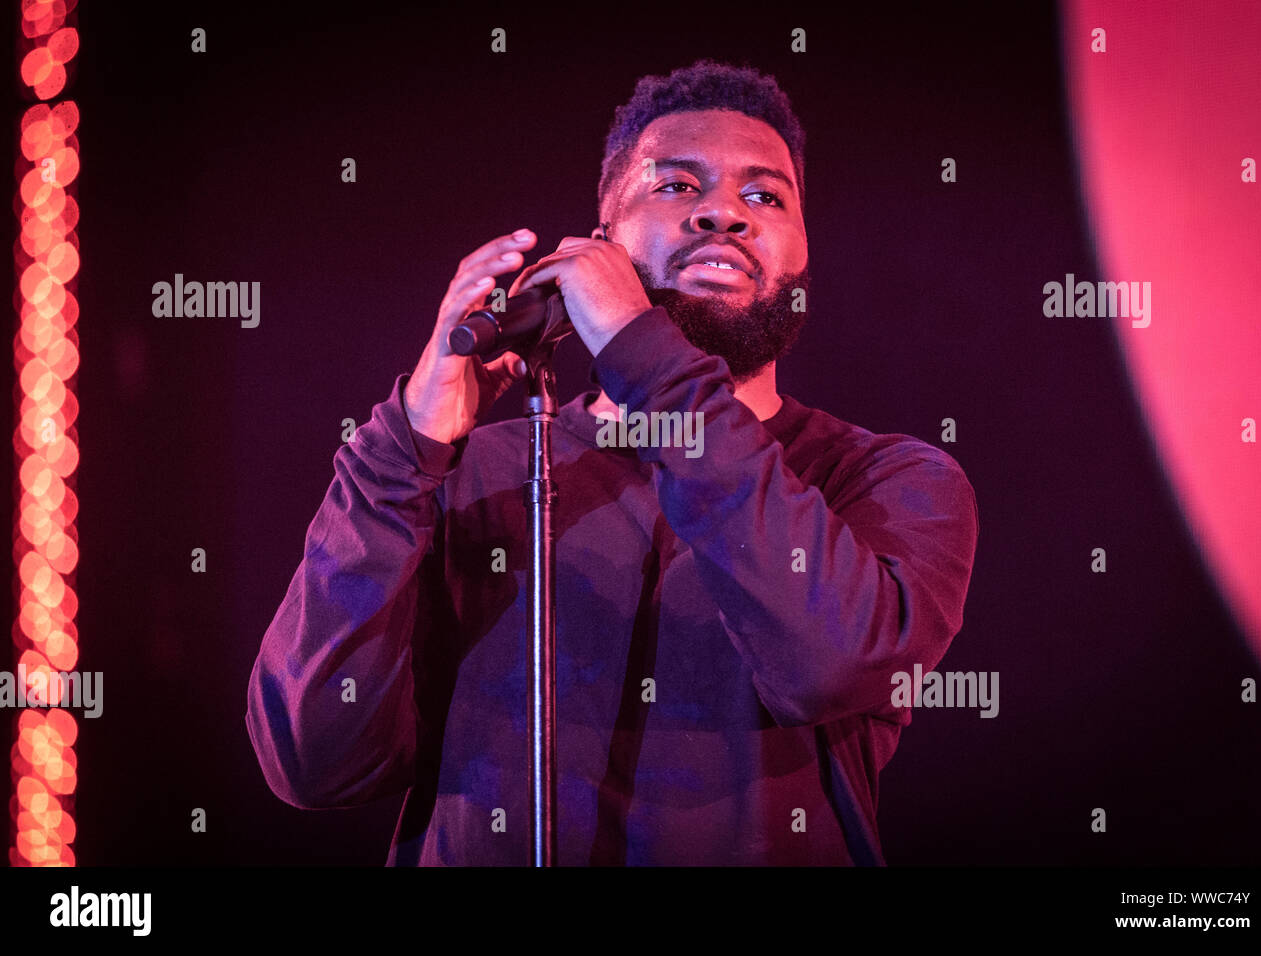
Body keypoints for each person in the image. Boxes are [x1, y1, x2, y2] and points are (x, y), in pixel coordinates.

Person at [245, 59, 979, 865]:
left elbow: (831, 662)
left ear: (804, 257)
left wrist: (643, 355)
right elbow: (314, 761)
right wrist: (400, 451)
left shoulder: (891, 482)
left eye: (764, 197)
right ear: (599, 247)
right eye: (675, 187)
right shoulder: (466, 473)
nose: (723, 215)